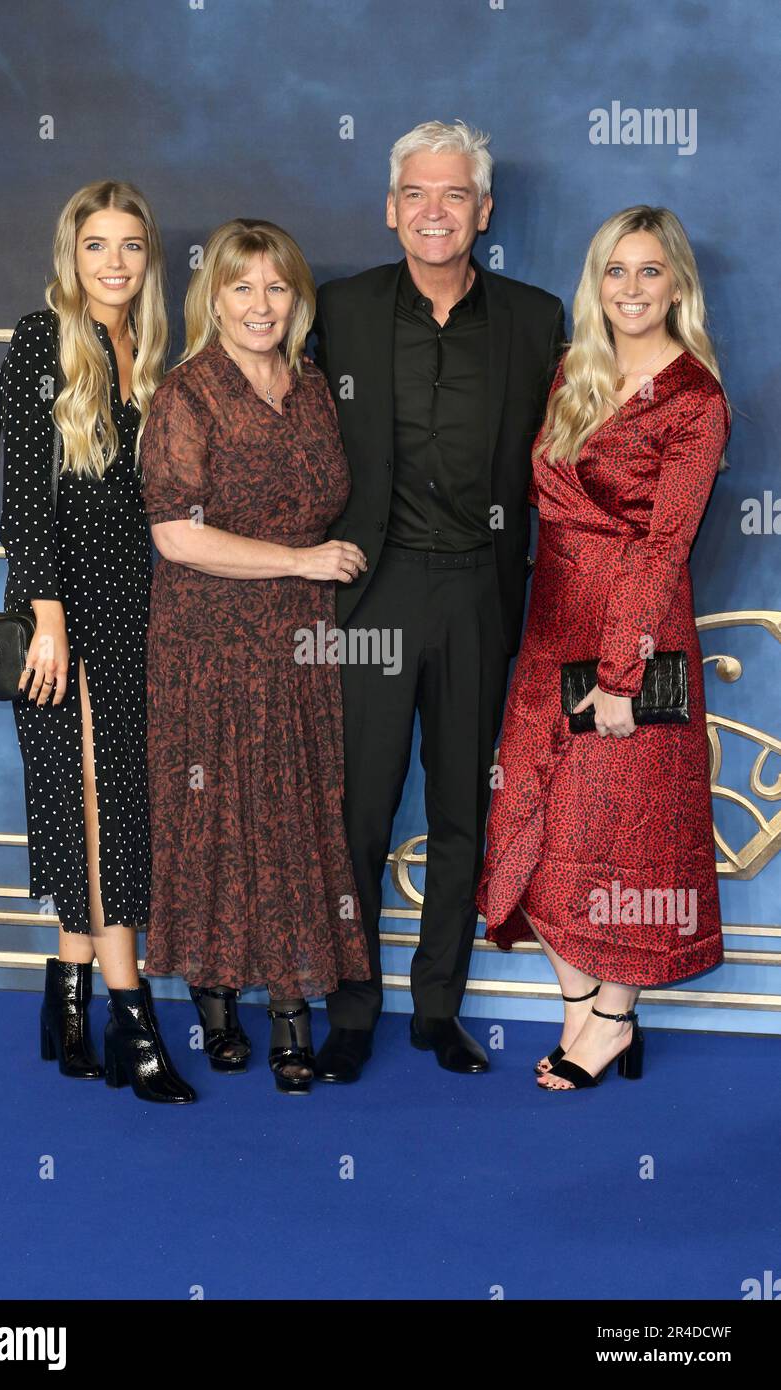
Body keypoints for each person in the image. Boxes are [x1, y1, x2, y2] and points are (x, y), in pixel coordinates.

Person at [312, 120, 565, 1081]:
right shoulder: (339, 309)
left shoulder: (538, 321)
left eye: (453, 194)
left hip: (479, 592)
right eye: (416, 193)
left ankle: (437, 1011)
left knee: (464, 809)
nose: (434, 210)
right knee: (358, 814)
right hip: (372, 594)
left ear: (483, 212)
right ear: (390, 209)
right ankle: (349, 1010)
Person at [475, 205, 731, 1092]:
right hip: (553, 632)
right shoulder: (573, 375)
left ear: (677, 284)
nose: (630, 289)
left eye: (649, 271)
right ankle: (582, 1007)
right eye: (615, 271)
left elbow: (664, 548)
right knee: (531, 828)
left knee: (621, 838)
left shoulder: (695, 399)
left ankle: (614, 1020)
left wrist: (624, 676)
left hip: (637, 637)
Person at [139, 218, 370, 1095]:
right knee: (217, 810)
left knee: (293, 814)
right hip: (211, 636)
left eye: (276, 287)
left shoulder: (313, 386)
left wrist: (308, 573)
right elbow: (175, 535)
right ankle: (216, 1001)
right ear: (214, 298)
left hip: (300, 642)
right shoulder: (188, 394)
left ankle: (289, 1008)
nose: (261, 305)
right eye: (241, 287)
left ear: (297, 298)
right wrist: (300, 560)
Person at [0, 180, 195, 1103]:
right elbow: (29, 501)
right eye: (95, 247)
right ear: (69, 258)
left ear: (147, 257)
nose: (113, 264)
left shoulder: (155, 348)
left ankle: (65, 1003)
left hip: (140, 604)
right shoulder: (44, 341)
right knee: (103, 803)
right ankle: (134, 1022)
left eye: (128, 246)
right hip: (66, 607)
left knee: (107, 800)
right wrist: (46, 616)